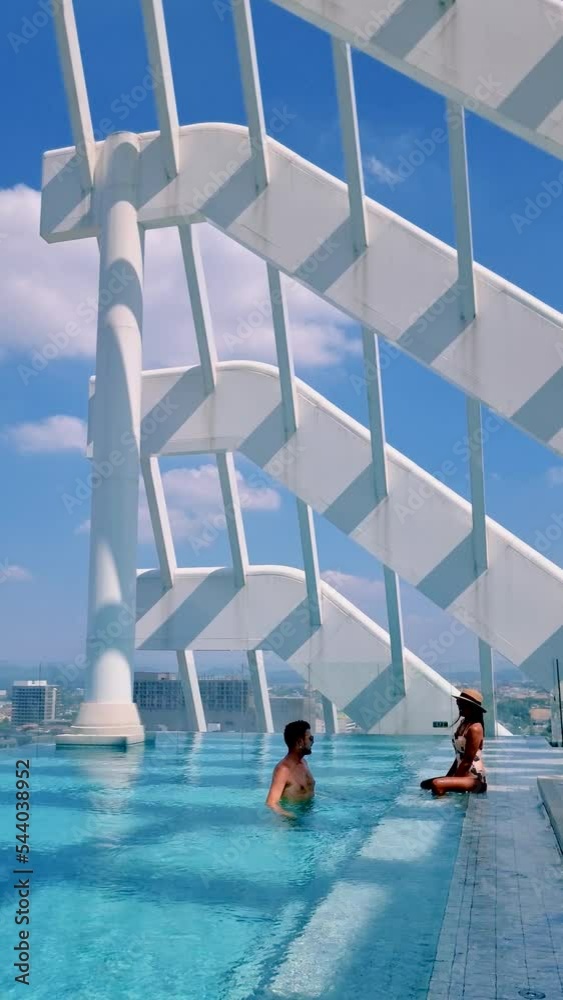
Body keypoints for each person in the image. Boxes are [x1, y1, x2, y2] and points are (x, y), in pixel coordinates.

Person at [421, 689, 487, 796]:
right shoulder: (463, 724)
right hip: (462, 774)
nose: (459, 705)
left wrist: (452, 781)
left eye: (462, 703)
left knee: (437, 784)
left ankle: (443, 805)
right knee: (425, 784)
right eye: (459, 702)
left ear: (473, 707)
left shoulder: (475, 728)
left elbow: (467, 760)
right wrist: (448, 778)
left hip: (475, 779)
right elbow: (458, 758)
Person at [265, 720, 316, 817]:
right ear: (300, 742)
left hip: (308, 815)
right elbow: (271, 803)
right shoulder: (283, 770)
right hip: (294, 823)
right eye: (310, 738)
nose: (313, 741)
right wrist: (289, 815)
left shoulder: (304, 763)